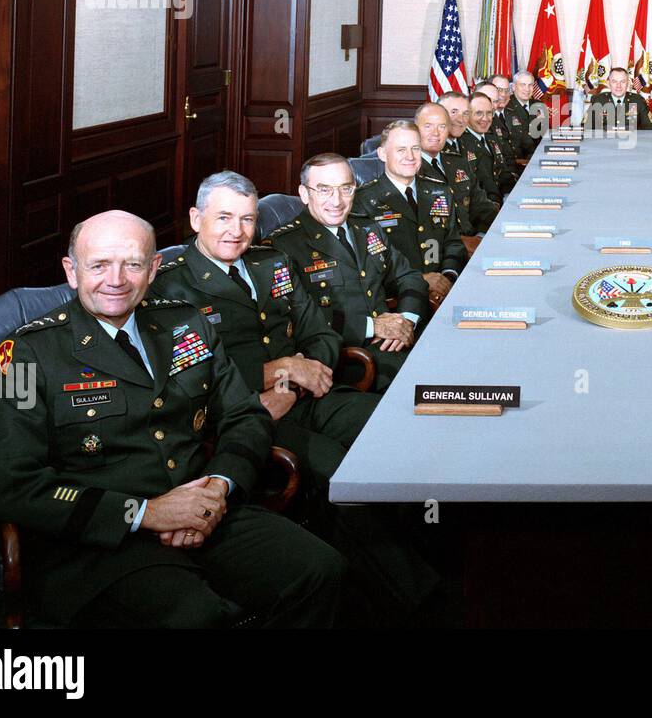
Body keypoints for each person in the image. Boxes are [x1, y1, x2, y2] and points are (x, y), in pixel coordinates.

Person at [0, 210, 345, 628]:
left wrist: (217, 488)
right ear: (71, 272)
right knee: (196, 617)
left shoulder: (186, 322)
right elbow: (5, 481)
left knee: (320, 569)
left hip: (204, 509)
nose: (116, 280)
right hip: (101, 544)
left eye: (132, 264)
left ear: (153, 268)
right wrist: (146, 513)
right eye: (99, 265)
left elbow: (245, 415)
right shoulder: (29, 352)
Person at [153, 172, 437, 617]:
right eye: (223, 218)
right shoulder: (170, 286)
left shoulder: (272, 261)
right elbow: (189, 376)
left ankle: (431, 546)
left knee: (397, 427)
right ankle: (413, 600)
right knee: (338, 472)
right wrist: (276, 371)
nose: (236, 231)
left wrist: (291, 379)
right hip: (248, 415)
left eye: (247, 219)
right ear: (195, 219)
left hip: (307, 393)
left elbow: (320, 333)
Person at [264, 153, 428, 392]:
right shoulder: (284, 247)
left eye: (345, 188)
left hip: (395, 341)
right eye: (324, 190)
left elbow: (408, 276)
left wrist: (407, 319)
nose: (337, 201)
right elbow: (299, 321)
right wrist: (372, 326)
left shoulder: (367, 227)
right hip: (349, 359)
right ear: (304, 194)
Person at [352, 120, 468, 301]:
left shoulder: (439, 191)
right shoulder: (363, 201)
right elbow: (369, 264)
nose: (410, 156)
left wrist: (448, 276)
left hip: (445, 291)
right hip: (398, 299)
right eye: (401, 150)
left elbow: (453, 242)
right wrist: (420, 280)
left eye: (415, 148)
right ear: (382, 154)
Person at [415, 101, 499, 236]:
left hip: (473, 239)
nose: (436, 133)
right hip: (441, 245)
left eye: (442, 126)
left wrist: (485, 233)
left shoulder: (458, 162)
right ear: (415, 129)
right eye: (428, 126)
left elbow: (481, 206)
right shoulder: (409, 169)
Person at [466, 91, 517, 197]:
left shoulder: (491, 136)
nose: (485, 118)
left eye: (489, 113)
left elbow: (502, 170)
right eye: (479, 113)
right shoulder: (462, 143)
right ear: (467, 115)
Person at [587, 66, 652, 130]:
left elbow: (648, 128)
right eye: (614, 81)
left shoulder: (638, 100)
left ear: (628, 83)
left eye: (623, 82)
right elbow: (588, 128)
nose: (618, 86)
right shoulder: (598, 100)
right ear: (608, 83)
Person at [504, 70, 548, 157]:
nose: (527, 89)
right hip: (519, 159)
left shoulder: (539, 105)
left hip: (540, 154)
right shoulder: (506, 106)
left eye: (530, 85)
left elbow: (544, 136)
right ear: (514, 87)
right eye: (523, 85)